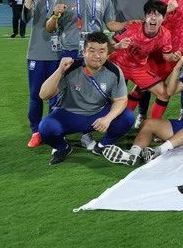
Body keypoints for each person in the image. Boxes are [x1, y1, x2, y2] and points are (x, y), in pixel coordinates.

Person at [102, 41, 183, 166]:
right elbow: (171, 91)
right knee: (149, 123)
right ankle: (133, 154)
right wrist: (177, 68)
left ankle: (158, 150)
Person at [36, 32, 135, 166]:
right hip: (69, 114)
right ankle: (62, 148)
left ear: (107, 53)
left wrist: (108, 118)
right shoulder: (71, 68)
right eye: (92, 51)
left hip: (97, 114)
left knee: (128, 117)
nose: (97, 56)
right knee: (46, 128)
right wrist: (59, 70)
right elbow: (44, 95)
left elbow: (121, 100)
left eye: (102, 51)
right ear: (84, 52)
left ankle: (102, 146)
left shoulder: (114, 71)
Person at [21, 0, 67, 148]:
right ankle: (36, 131)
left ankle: (53, 130)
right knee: (35, 95)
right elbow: (25, 18)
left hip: (60, 54)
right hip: (38, 53)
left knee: (57, 97)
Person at [109, 0, 178, 123]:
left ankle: (151, 126)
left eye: (157, 15)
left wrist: (175, 57)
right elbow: (108, 46)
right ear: (145, 17)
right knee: (106, 97)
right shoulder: (132, 28)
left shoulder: (165, 34)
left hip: (138, 68)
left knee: (164, 93)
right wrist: (117, 46)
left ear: (163, 18)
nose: (153, 18)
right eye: (150, 14)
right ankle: (90, 129)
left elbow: (167, 57)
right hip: (118, 65)